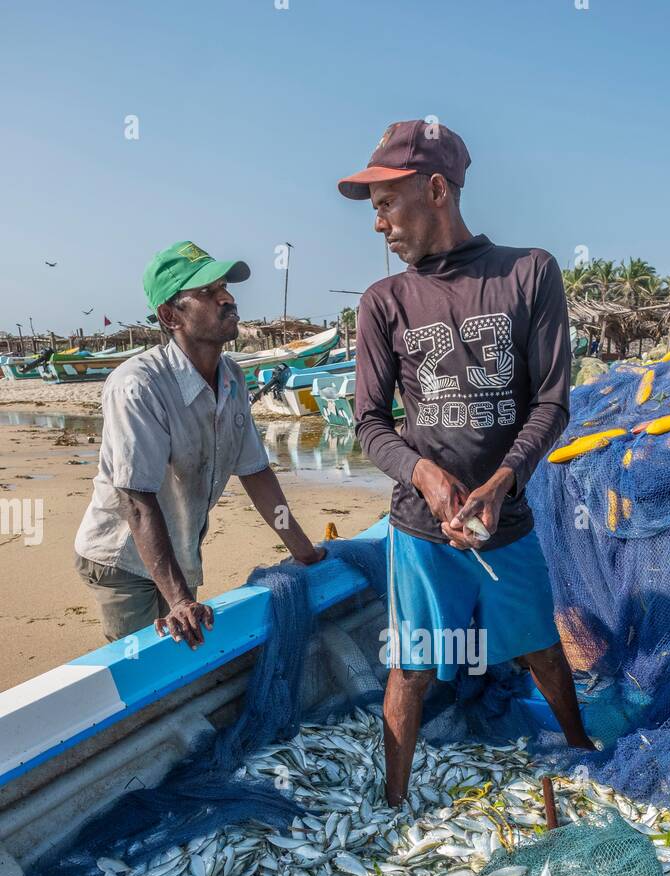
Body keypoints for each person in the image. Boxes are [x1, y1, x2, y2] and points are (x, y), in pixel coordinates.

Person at [338, 120, 592, 804]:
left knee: (540, 645)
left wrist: (502, 482)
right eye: (374, 211)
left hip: (504, 521)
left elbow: (550, 403)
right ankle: (393, 801)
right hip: (423, 533)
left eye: (386, 204)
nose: (379, 224)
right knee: (414, 671)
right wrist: (422, 473)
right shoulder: (382, 303)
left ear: (438, 190)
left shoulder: (528, 272)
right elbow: (368, 422)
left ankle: (585, 757)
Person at [74, 240, 323, 647]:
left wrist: (303, 550)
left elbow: (257, 475)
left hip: (177, 551)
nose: (227, 298)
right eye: (207, 293)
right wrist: (181, 600)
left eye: (224, 287)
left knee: (182, 647)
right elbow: (136, 501)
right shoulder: (138, 386)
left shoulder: (232, 378)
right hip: (122, 558)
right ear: (170, 315)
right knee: (149, 666)